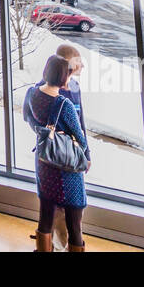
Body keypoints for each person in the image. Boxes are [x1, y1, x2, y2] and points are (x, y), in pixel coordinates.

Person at [23, 54, 90, 252]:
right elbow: (82, 140)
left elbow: (29, 119)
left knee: (46, 216)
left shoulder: (32, 94)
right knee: (74, 224)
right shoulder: (65, 105)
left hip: (44, 163)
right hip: (66, 171)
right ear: (63, 78)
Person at [50, 44, 88, 249]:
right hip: (58, 160)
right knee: (61, 210)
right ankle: (60, 245)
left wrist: (86, 153)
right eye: (78, 60)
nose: (82, 65)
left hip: (75, 160)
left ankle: (65, 244)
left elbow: (81, 125)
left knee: (75, 211)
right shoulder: (51, 90)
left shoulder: (75, 88)